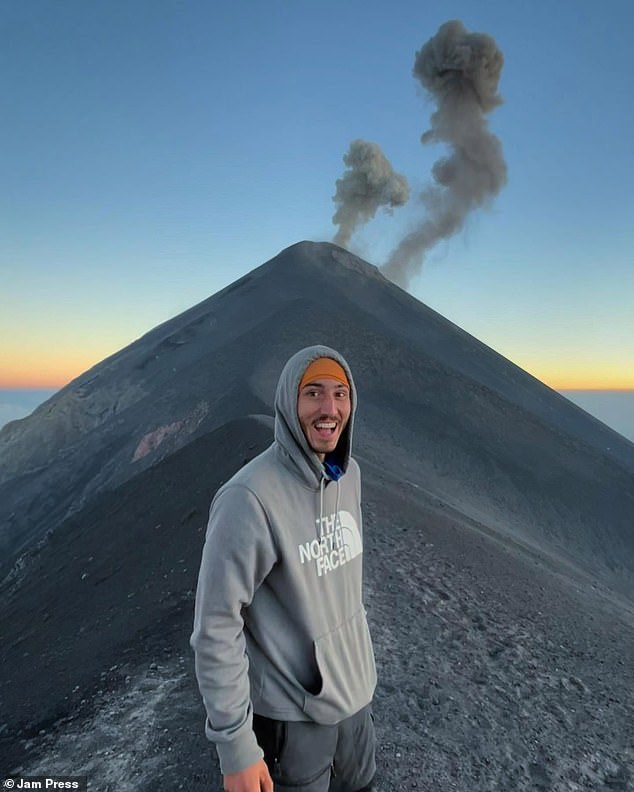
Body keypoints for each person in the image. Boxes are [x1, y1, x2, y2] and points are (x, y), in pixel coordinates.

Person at [191, 345, 377, 792]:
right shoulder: (248, 498)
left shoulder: (348, 475)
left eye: (340, 393)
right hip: (292, 722)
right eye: (312, 393)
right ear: (289, 403)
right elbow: (216, 626)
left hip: (356, 712)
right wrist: (236, 748)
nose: (329, 408)